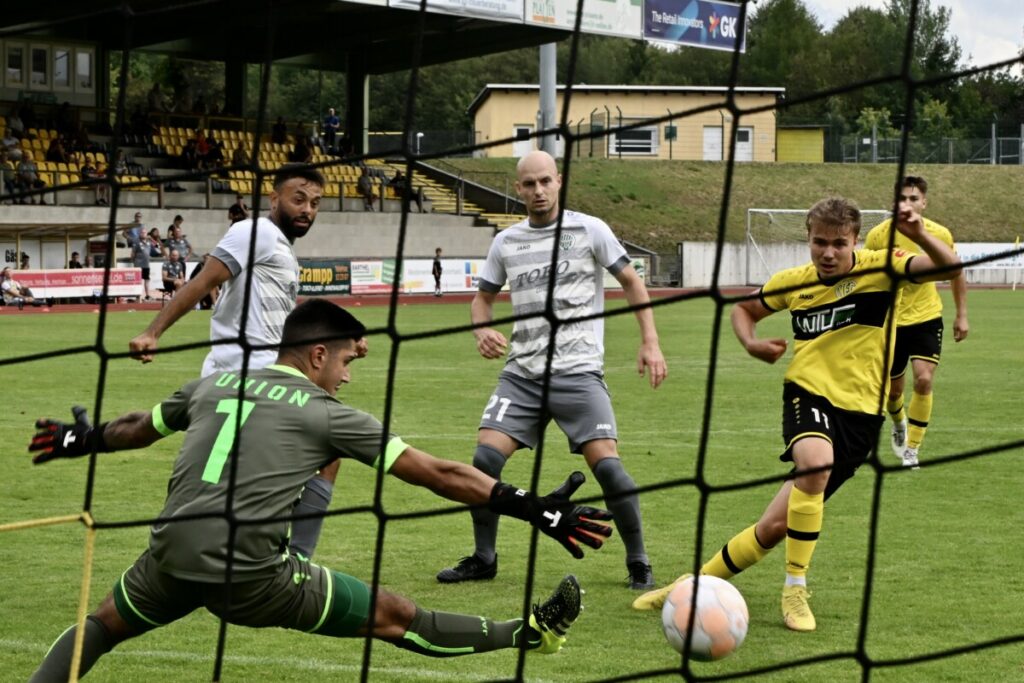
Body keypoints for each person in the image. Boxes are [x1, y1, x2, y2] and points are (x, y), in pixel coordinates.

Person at [25, 299, 611, 682]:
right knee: (396, 616)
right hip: (254, 579)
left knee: (98, 628)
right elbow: (439, 473)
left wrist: (82, 439)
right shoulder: (326, 413)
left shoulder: (215, 384)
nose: (348, 374)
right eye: (348, 360)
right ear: (319, 354)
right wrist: (536, 509)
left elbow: (135, 427)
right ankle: (529, 634)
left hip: (169, 557)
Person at [631, 196, 962, 632]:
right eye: (819, 242)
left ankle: (686, 588)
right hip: (807, 394)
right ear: (807, 239)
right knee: (815, 464)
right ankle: (795, 588)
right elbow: (744, 309)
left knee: (772, 526)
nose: (828, 252)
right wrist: (751, 343)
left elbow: (949, 269)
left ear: (855, 241)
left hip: (861, 415)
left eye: (839, 243)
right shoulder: (793, 281)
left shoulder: (883, 268)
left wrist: (918, 234)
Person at [435, 150, 668, 590]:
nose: (538, 191)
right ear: (518, 189)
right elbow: (482, 299)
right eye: (529, 184)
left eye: (545, 181)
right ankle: (484, 558)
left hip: (578, 373)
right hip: (522, 375)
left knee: (609, 469)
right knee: (484, 460)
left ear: (559, 181)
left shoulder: (590, 229)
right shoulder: (506, 242)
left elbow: (632, 282)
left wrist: (650, 341)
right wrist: (481, 329)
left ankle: (638, 560)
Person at [129, 165, 344, 561]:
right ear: (274, 199)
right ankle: (291, 560)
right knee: (315, 452)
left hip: (262, 377)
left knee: (304, 458)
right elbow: (203, 281)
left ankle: (284, 557)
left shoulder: (281, 249)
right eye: (299, 199)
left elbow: (278, 320)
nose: (307, 210)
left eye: (315, 203)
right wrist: (153, 332)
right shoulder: (254, 232)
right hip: (245, 377)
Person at [864, 176, 969, 469]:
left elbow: (957, 272)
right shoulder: (878, 236)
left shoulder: (939, 234)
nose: (907, 203)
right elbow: (868, 277)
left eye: (913, 198)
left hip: (926, 316)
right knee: (893, 392)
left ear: (924, 202)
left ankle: (912, 449)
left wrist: (961, 314)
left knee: (924, 379)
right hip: (891, 322)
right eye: (902, 198)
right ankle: (899, 421)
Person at [123, 219, 154, 301]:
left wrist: (152, 239)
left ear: (147, 234)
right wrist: (134, 262)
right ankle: (138, 296)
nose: (143, 234)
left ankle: (147, 295)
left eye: (145, 233)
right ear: (140, 234)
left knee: (147, 280)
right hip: (138, 265)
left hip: (146, 265)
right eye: (142, 233)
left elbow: (157, 245)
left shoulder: (149, 242)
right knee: (139, 281)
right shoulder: (136, 242)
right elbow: (133, 253)